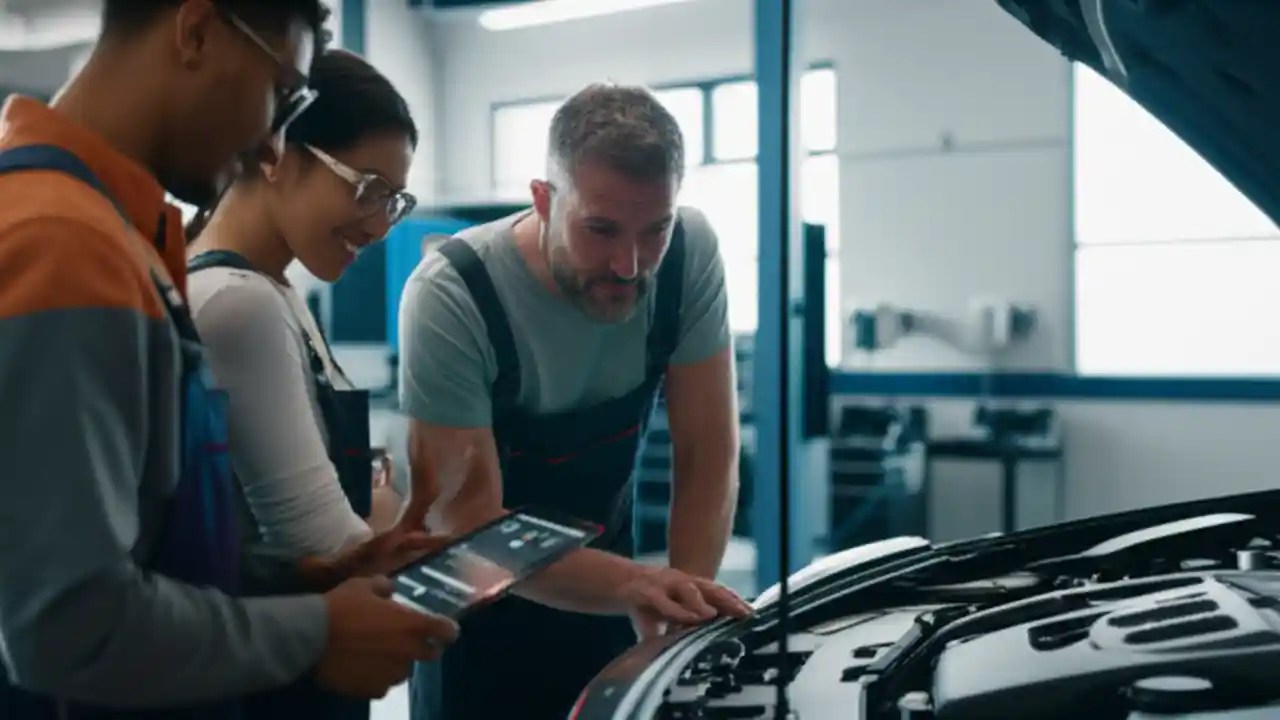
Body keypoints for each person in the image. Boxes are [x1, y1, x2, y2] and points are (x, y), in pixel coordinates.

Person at [0, 2, 457, 719]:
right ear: (198, 31)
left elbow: (141, 545)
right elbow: (68, 626)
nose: (272, 150)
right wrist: (314, 631)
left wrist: (301, 576)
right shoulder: (64, 244)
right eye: (281, 94)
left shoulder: (119, 239)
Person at [398, 82, 748, 720]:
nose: (629, 264)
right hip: (472, 620)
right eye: (601, 229)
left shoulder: (689, 252)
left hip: (607, 598)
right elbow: (468, 523)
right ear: (543, 198)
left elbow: (709, 451)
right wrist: (640, 584)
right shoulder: (453, 294)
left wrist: (684, 607)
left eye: (655, 230)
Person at [184, 47, 424, 717]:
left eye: (394, 201)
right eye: (368, 188)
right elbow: (319, 542)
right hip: (275, 682)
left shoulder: (275, 292)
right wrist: (471, 562)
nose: (380, 225)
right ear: (274, 152)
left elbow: (356, 501)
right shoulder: (238, 305)